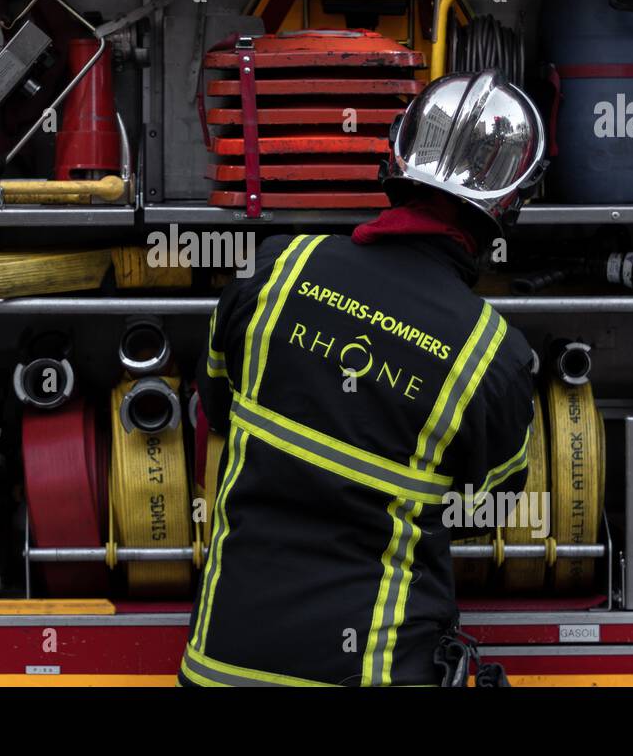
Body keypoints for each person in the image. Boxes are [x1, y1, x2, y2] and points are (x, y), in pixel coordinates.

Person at [181, 69, 546, 687]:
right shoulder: (492, 357)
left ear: (395, 158)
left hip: (221, 668)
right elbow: (489, 510)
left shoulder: (278, 269)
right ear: (509, 206)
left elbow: (214, 404)